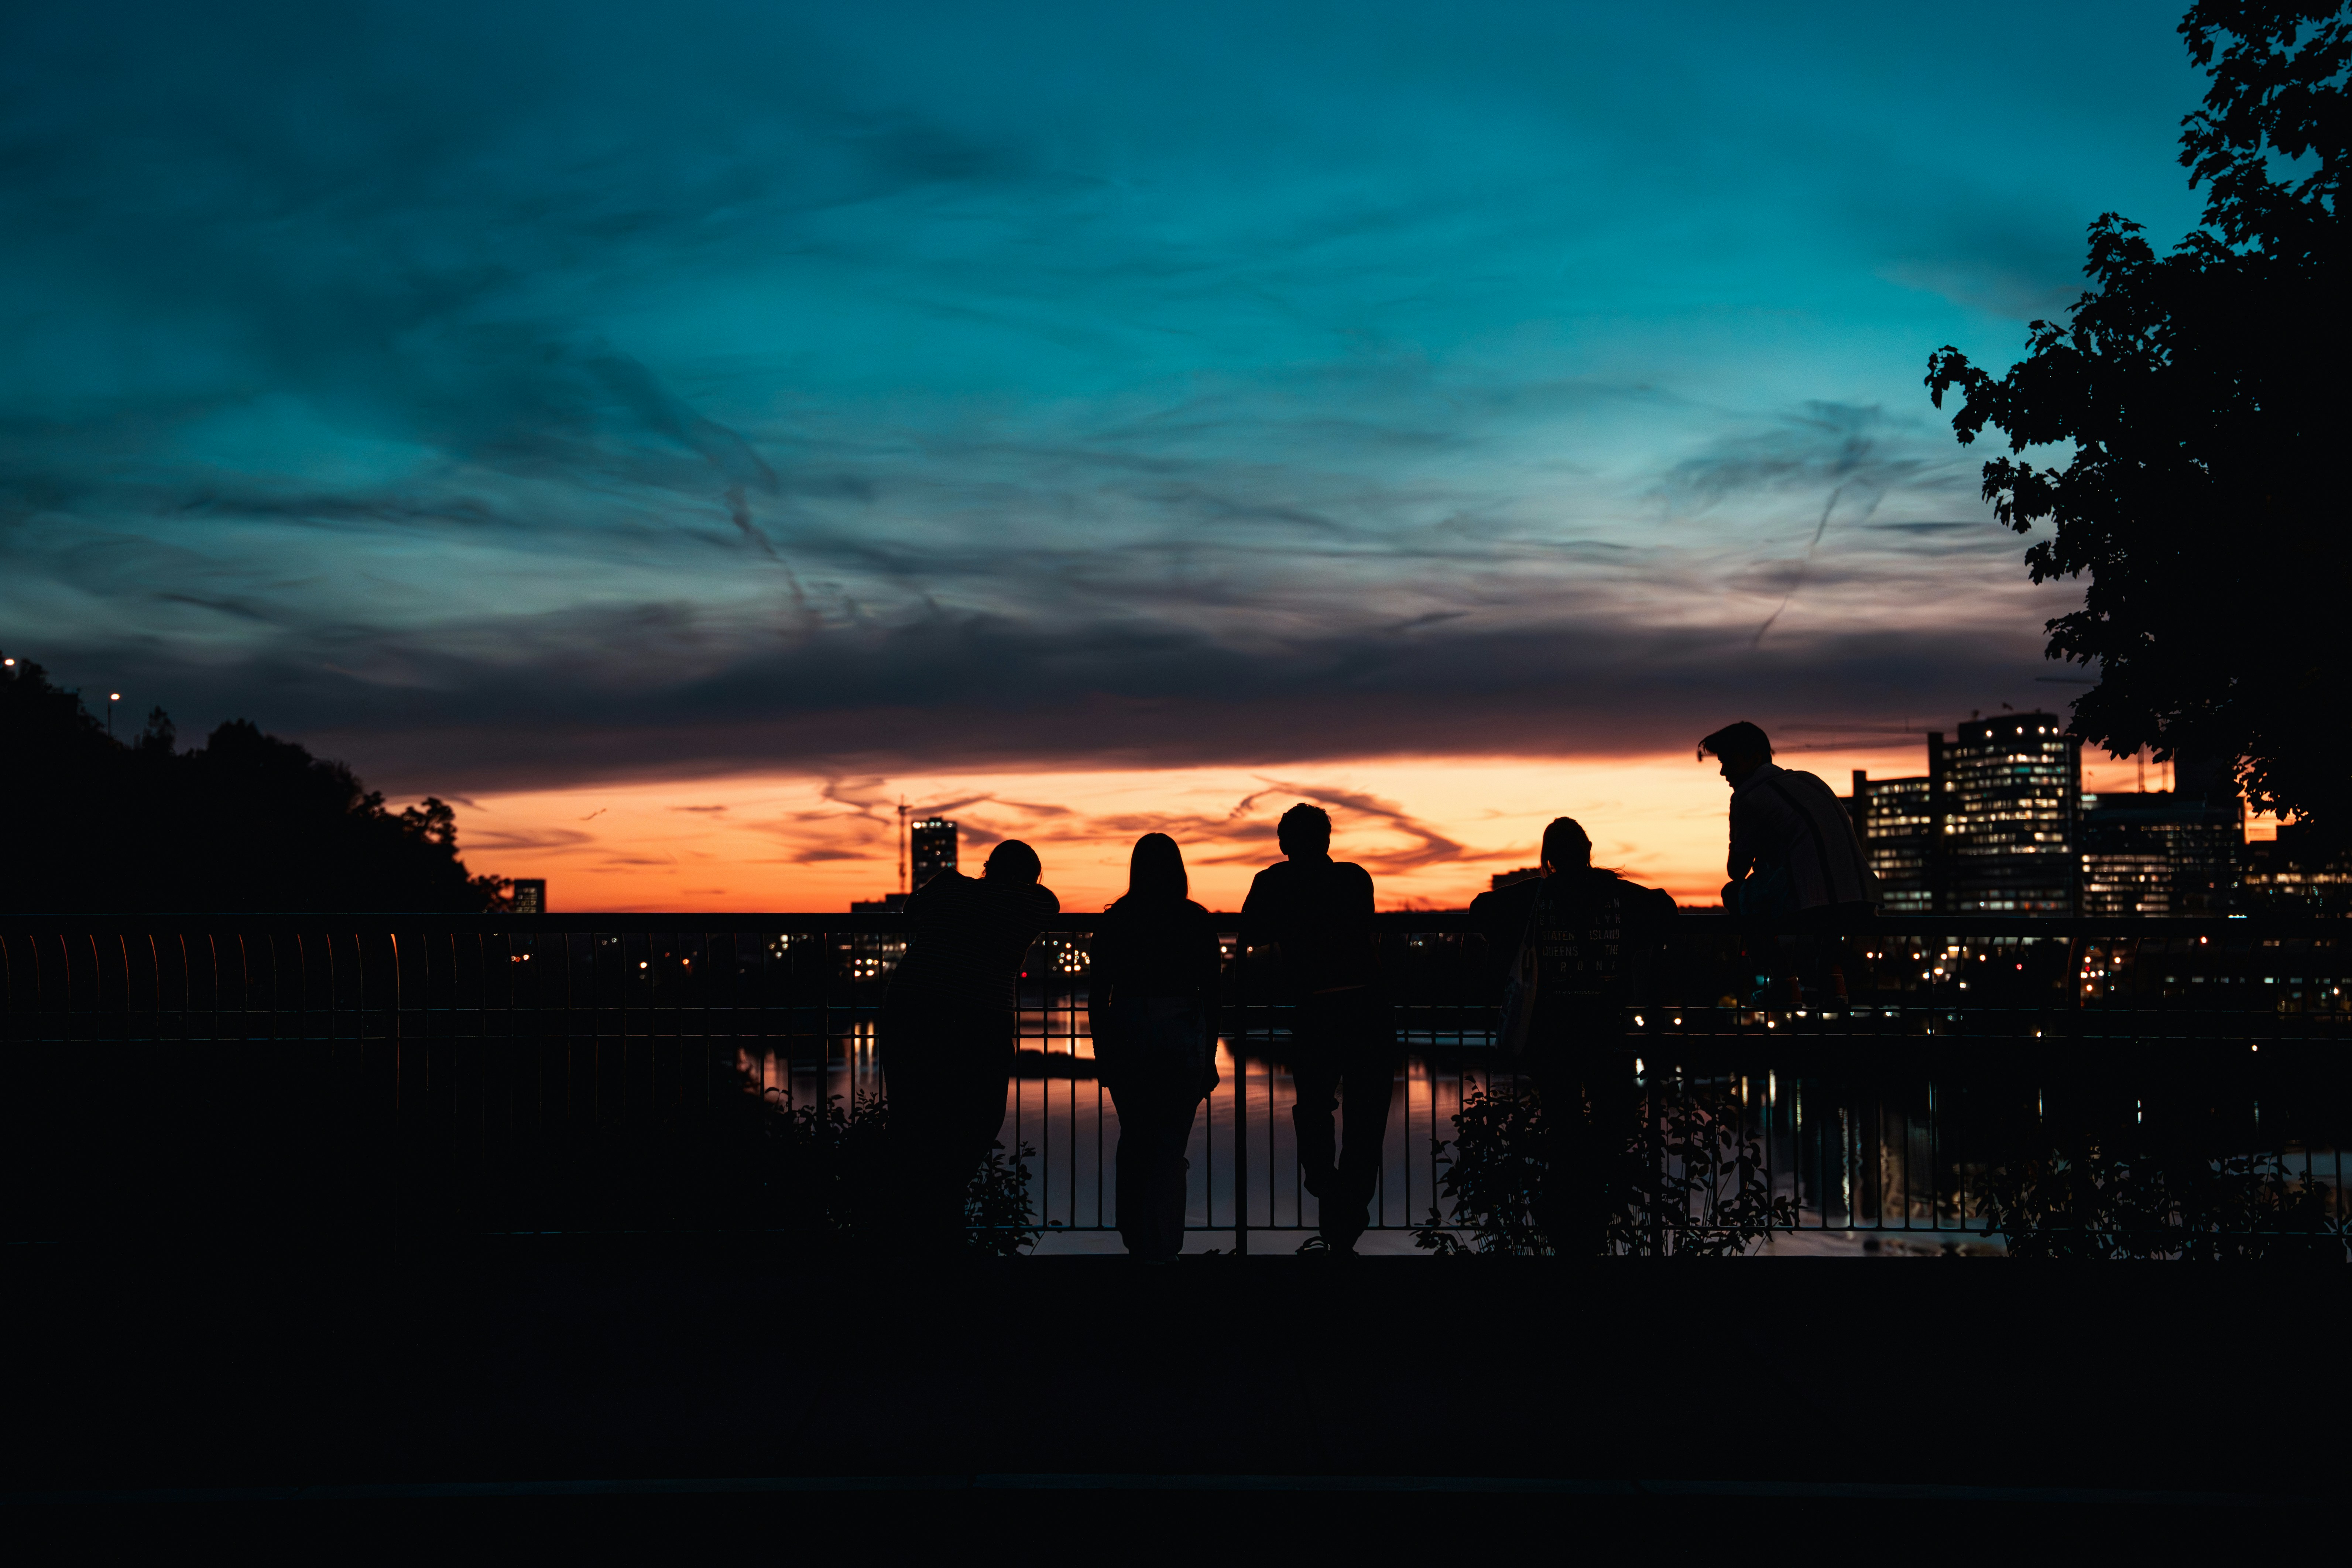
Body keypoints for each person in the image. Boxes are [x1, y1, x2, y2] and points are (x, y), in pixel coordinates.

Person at [1467, 817, 1677, 1252]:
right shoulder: (1621, 896)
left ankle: (1568, 1224)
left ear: (1548, 857)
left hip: (1551, 1032)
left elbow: (1481, 910)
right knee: (1608, 1124)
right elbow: (1664, 911)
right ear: (1589, 848)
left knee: (1562, 1123)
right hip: (1604, 1027)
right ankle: (1600, 1217)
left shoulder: (1533, 897)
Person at [880, 839, 1058, 1255]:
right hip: (977, 1015)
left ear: (987, 866)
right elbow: (1051, 902)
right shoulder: (1028, 903)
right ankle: (941, 1217)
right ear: (1028, 876)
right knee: (979, 1119)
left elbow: (911, 910)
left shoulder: (947, 885)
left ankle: (909, 1230)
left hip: (910, 1007)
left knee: (910, 1118)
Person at [1242, 803, 1394, 1254]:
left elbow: (1250, 931)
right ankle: (1346, 1222)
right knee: (1366, 1118)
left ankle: (1328, 1195)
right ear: (1327, 840)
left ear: (1285, 842)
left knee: (1313, 1107)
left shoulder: (1274, 881)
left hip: (1316, 1009)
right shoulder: (1354, 877)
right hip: (1369, 1007)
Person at [1090, 833, 1222, 1262]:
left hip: (1126, 1027)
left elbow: (1097, 995)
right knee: (1168, 1145)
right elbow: (1214, 994)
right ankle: (1164, 1245)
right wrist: (1211, 1057)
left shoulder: (1115, 921)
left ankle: (1135, 1238)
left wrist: (1102, 1052)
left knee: (1135, 1139)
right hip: (1181, 1030)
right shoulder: (1196, 921)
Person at [1697, 721, 1878, 924]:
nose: (1723, 772)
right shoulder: (1809, 780)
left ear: (1755, 759)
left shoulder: (1748, 796)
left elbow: (1736, 871)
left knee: (1733, 894)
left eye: (1729, 762)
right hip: (1864, 898)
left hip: (1814, 904)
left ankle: (1767, 958)